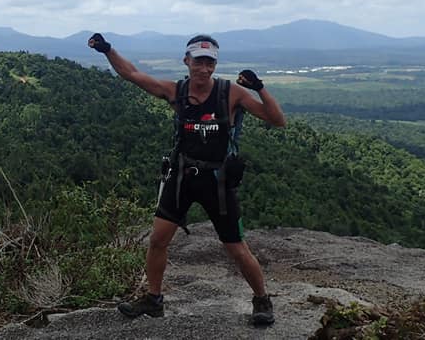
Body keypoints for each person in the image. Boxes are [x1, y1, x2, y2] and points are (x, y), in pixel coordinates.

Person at [87, 32, 286, 326]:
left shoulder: (231, 94)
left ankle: (261, 300)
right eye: (199, 61)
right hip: (182, 177)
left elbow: (277, 120)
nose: (204, 68)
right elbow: (131, 74)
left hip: (217, 182)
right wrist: (107, 50)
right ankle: (153, 300)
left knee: (235, 247)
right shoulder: (176, 91)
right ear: (187, 61)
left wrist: (260, 88)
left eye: (210, 62)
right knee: (157, 241)